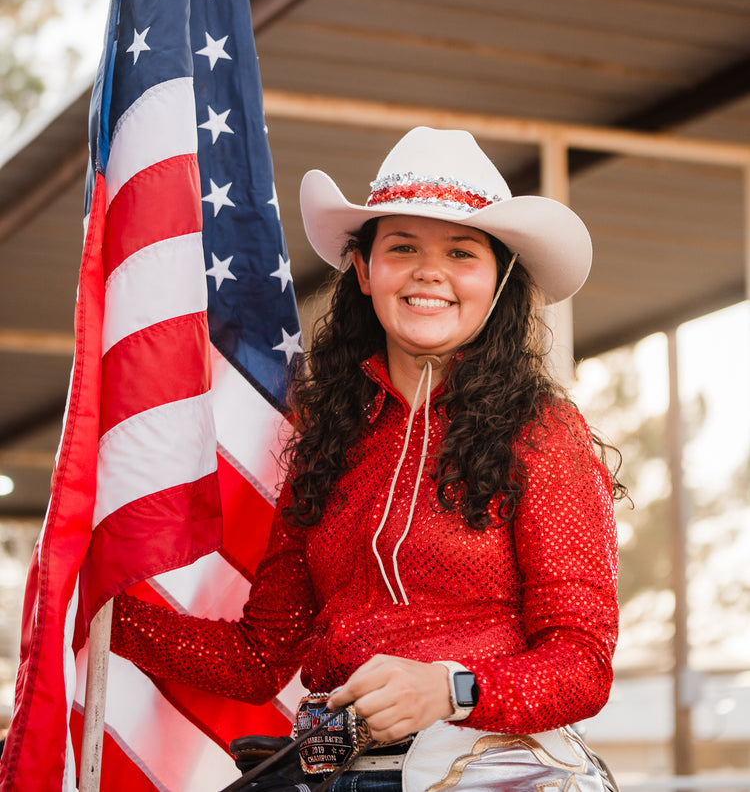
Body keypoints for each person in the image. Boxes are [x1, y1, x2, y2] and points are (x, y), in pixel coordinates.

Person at [111, 126, 624, 792]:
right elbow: (259, 657)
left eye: (461, 252)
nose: (428, 271)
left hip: (494, 769)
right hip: (331, 770)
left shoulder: (542, 432)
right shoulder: (331, 439)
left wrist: (451, 687)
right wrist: (92, 604)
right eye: (402, 246)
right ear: (364, 268)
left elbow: (582, 664)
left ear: (498, 278)